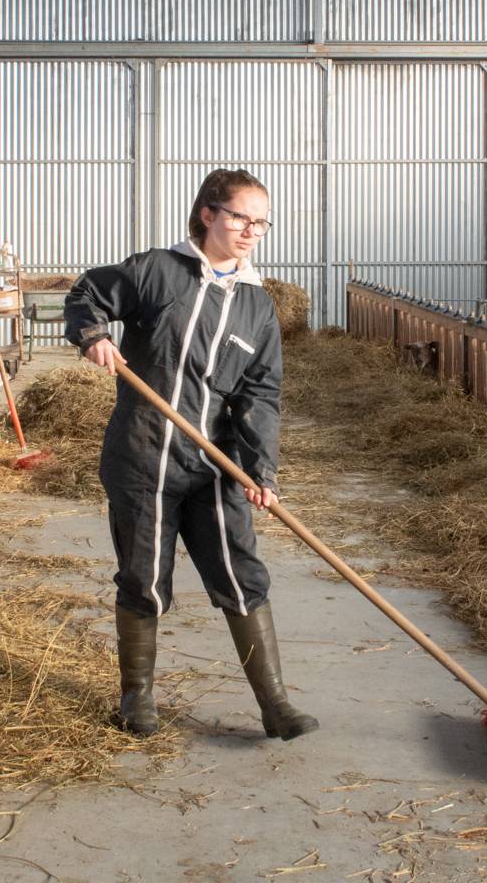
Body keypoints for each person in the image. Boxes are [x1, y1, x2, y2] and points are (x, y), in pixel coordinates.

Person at [63, 168, 319, 742]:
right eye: (239, 217)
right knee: (145, 575)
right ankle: (137, 700)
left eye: (261, 222)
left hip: (216, 464)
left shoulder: (257, 306)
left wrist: (259, 469)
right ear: (208, 213)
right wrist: (94, 335)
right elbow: (86, 293)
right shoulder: (159, 271)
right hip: (144, 452)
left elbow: (261, 395)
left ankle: (275, 705)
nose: (251, 230)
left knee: (240, 571)